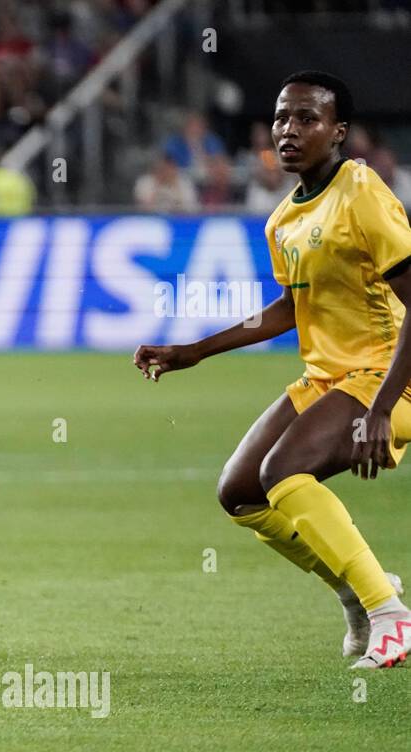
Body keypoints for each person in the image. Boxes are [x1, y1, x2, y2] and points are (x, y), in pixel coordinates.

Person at [134, 72, 411, 669]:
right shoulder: (282, 218)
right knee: (240, 493)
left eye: (307, 119)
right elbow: (291, 307)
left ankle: (391, 614)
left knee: (284, 471)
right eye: (283, 117)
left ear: (338, 132)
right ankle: (355, 591)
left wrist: (384, 406)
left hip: (391, 374)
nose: (289, 130)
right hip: (329, 376)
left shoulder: (362, 192)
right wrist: (193, 351)